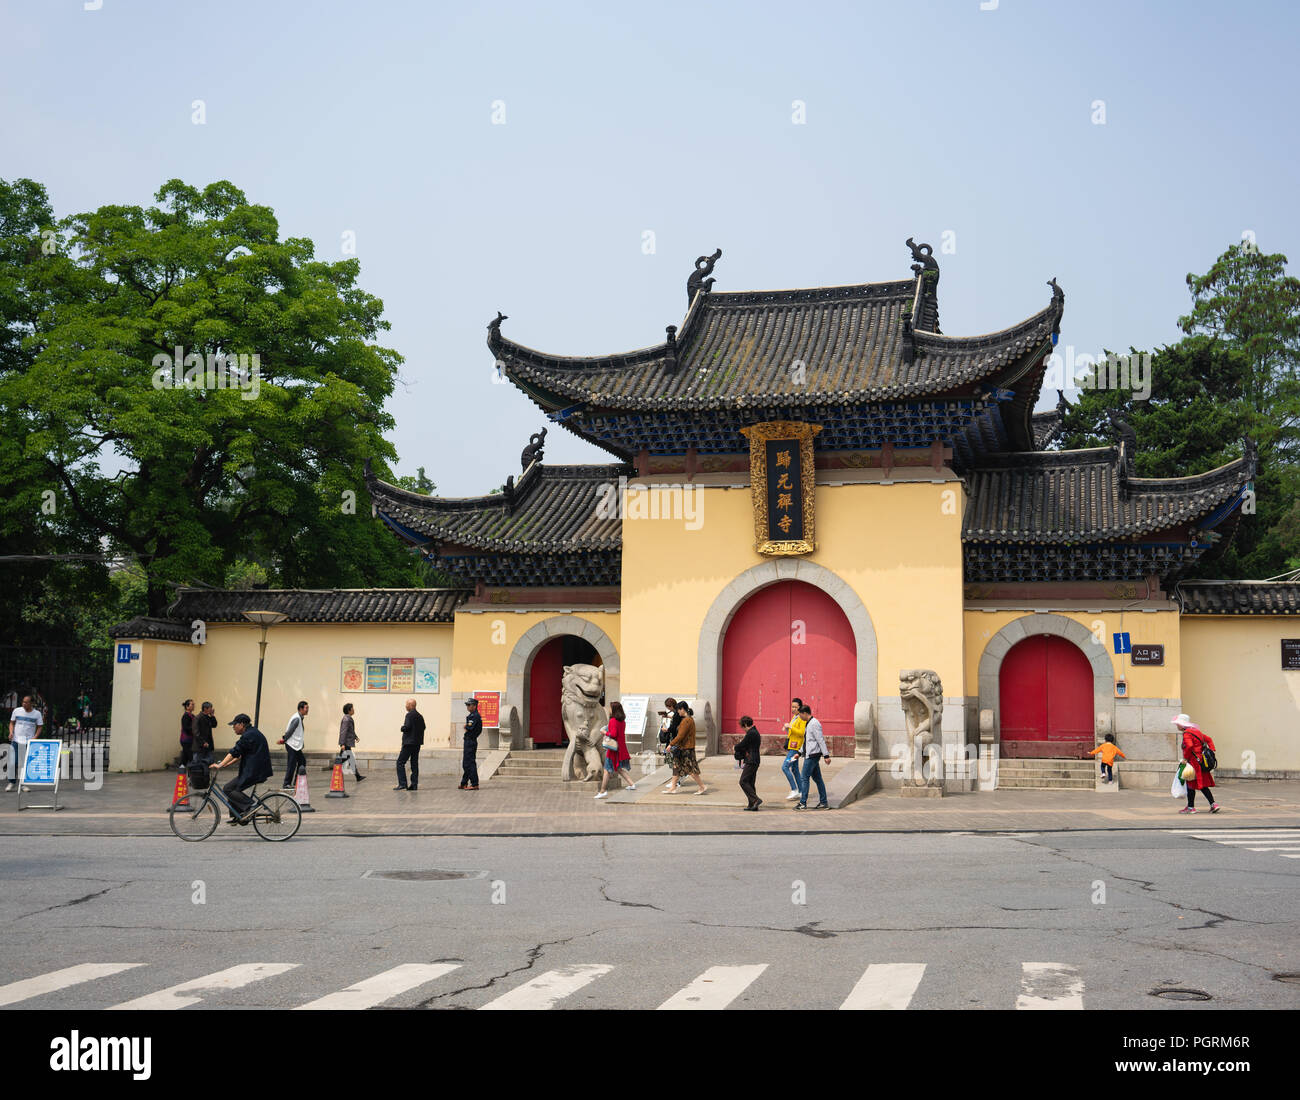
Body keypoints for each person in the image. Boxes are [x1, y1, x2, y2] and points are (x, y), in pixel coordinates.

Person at [210, 713, 273, 823]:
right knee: (232, 788)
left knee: (228, 789)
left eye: (234, 725)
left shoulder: (248, 735)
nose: (233, 727)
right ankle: (238, 815)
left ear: (242, 724)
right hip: (255, 769)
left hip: (254, 771)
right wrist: (226, 764)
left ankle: (251, 806)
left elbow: (235, 751)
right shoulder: (252, 733)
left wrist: (220, 765)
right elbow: (241, 753)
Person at [1174, 714, 1220, 814]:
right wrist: (1211, 751)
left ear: (1182, 725)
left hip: (1193, 762)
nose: (1176, 726)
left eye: (1177, 724)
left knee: (1190, 783)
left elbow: (1189, 746)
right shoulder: (1196, 731)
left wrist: (1185, 758)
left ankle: (1191, 807)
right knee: (1201, 784)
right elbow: (1209, 739)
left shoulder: (1187, 733)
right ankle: (1213, 804)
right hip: (1201, 761)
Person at [665, 701, 707, 796]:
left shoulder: (687, 721)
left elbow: (680, 736)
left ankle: (702, 786)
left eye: (678, 710)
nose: (678, 712)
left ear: (682, 709)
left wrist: (670, 744)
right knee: (676, 766)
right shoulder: (687, 719)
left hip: (686, 748)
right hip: (683, 747)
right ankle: (673, 787)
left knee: (690, 770)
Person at [596, 701, 635, 799]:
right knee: (618, 769)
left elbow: (613, 734)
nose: (609, 709)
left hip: (613, 749)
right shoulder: (622, 721)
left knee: (606, 770)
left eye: (610, 708)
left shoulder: (613, 720)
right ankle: (631, 784)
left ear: (613, 709)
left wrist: (604, 732)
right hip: (620, 748)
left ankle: (602, 791)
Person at [794, 704, 830, 810]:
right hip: (810, 754)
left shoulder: (814, 723)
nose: (800, 717)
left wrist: (826, 755)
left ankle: (803, 803)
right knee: (818, 779)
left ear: (805, 713)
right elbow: (807, 741)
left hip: (812, 756)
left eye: (800, 715)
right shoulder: (808, 723)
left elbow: (820, 740)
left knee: (804, 778)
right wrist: (799, 753)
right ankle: (823, 802)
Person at [6, 694, 43, 793]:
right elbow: (12, 722)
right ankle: (12, 782)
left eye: (26, 702)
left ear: (31, 703)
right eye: (23, 702)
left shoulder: (37, 714)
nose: (24, 704)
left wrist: (35, 737)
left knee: (24, 764)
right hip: (16, 740)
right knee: (12, 762)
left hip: (28, 742)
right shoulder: (17, 711)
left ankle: (23, 784)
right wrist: (11, 732)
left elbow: (40, 726)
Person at [734, 715, 762, 810]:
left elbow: (742, 745)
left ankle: (755, 800)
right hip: (754, 759)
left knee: (743, 781)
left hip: (751, 760)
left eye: (742, 727)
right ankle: (752, 805)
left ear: (745, 724)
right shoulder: (754, 732)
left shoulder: (751, 733)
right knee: (750, 782)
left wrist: (735, 747)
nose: (743, 729)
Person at [395, 698, 425, 790]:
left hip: (408, 743)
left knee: (400, 762)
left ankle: (403, 783)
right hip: (417, 743)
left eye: (407, 704)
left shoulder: (409, 715)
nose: (405, 706)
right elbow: (424, 727)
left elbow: (407, 727)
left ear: (411, 705)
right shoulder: (420, 716)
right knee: (414, 763)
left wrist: (402, 728)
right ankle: (414, 784)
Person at [279, 701, 309, 790]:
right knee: (292, 764)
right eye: (306, 708)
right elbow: (290, 731)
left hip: (295, 745)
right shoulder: (297, 718)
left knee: (302, 761)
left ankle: (297, 782)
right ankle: (286, 784)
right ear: (301, 709)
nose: (307, 710)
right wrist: (283, 739)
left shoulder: (299, 717)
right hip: (291, 744)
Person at [780, 697, 805, 801]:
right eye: (792, 706)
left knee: (785, 767)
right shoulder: (794, 717)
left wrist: (790, 727)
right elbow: (793, 733)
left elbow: (802, 733)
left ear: (800, 707)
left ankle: (794, 789)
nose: (793, 709)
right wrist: (787, 729)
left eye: (795, 707)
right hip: (792, 746)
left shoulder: (801, 719)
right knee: (794, 770)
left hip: (796, 748)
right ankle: (800, 791)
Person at [460, 698, 482, 790]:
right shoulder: (472, 715)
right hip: (469, 740)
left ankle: (474, 783)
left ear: (474, 706)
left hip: (470, 741)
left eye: (469, 705)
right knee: (466, 763)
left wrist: (466, 726)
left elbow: (470, 727)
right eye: (467, 705)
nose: (467, 707)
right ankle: (464, 783)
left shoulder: (474, 716)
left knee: (470, 763)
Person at [339, 703, 365, 781]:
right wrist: (342, 744)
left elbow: (350, 730)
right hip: (346, 743)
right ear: (349, 710)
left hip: (347, 742)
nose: (354, 710)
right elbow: (343, 732)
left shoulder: (348, 718)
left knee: (349, 759)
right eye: (352, 708)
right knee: (344, 759)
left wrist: (355, 737)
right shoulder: (346, 719)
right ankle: (336, 770)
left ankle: (357, 776)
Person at [658, 698, 679, 768]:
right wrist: (668, 716)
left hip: (674, 738)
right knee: (673, 759)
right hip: (674, 738)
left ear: (670, 706)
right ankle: (676, 775)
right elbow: (675, 719)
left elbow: (674, 726)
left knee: (674, 759)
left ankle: (676, 775)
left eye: (667, 706)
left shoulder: (677, 713)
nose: (667, 708)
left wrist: (666, 730)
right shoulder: (676, 713)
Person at [179, 699, 195, 767]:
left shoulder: (192, 716)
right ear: (187, 706)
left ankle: (182, 774)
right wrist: (195, 730)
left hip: (190, 740)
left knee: (185, 758)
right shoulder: (186, 716)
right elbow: (186, 728)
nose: (194, 706)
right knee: (191, 757)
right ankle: (190, 775)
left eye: (194, 704)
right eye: (192, 704)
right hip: (186, 740)